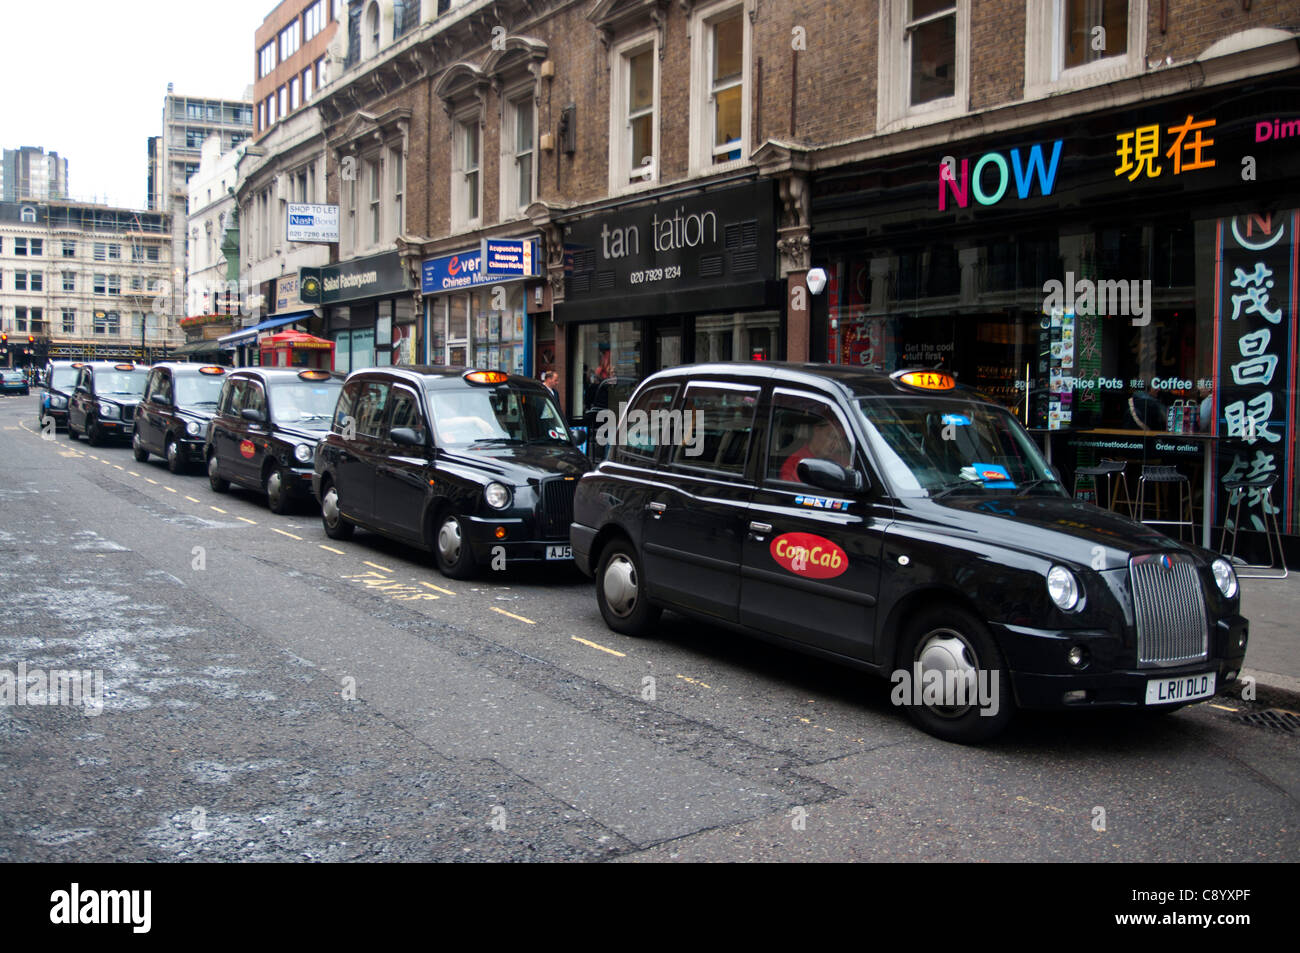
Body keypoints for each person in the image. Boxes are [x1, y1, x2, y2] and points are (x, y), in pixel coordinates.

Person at [780, 417, 851, 483]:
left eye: (839, 440)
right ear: (817, 430)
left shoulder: (839, 460)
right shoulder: (794, 464)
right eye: (831, 436)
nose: (835, 444)